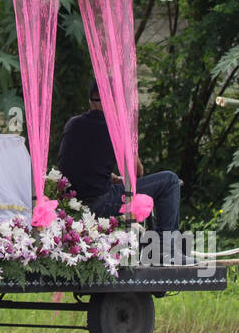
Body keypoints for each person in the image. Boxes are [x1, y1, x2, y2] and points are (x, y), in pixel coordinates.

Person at [57, 80, 185, 263]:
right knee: (170, 181)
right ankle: (165, 251)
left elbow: (77, 167)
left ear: (90, 101)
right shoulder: (115, 127)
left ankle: (156, 249)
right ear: (113, 101)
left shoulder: (72, 124)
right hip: (100, 203)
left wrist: (109, 177)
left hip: (75, 204)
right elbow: (136, 171)